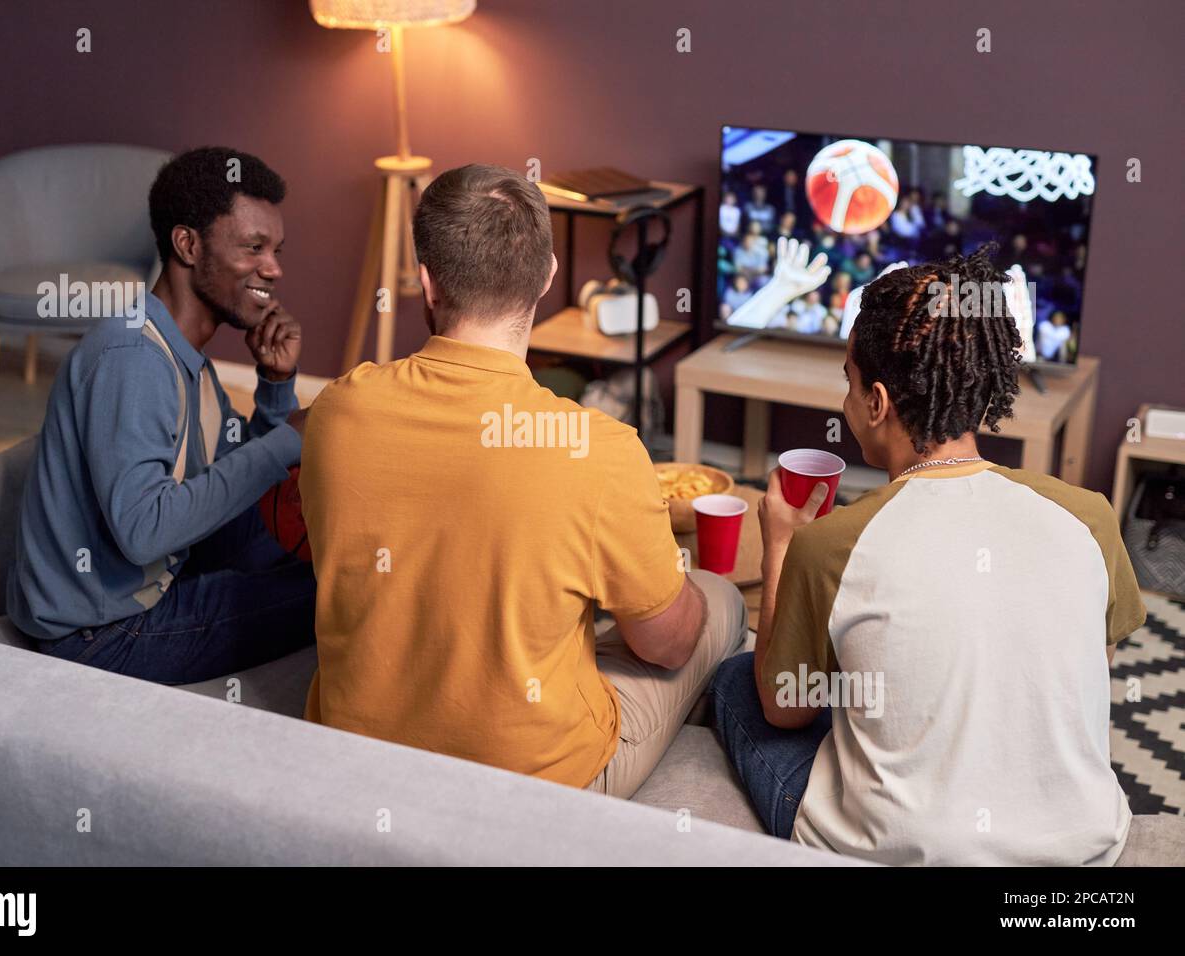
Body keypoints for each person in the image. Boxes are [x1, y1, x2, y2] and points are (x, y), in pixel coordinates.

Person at [298, 164, 746, 795]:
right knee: (715, 602)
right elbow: (667, 648)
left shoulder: (335, 412)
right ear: (548, 278)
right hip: (534, 784)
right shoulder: (602, 449)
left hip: (355, 751)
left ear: (426, 281)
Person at [711, 244, 1143, 865]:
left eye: (850, 385)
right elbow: (1087, 669)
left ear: (878, 403)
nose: (846, 403)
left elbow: (786, 707)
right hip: (1084, 845)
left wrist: (780, 545)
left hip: (900, 849)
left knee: (734, 680)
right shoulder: (1090, 515)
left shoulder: (831, 543)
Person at [6, 147, 315, 682]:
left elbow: (231, 489)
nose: (275, 268)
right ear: (188, 244)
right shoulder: (133, 358)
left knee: (326, 546)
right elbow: (144, 532)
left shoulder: (184, 357)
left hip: (154, 580)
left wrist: (275, 387)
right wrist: (288, 437)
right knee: (339, 595)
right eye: (253, 247)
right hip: (103, 636)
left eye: (276, 249)